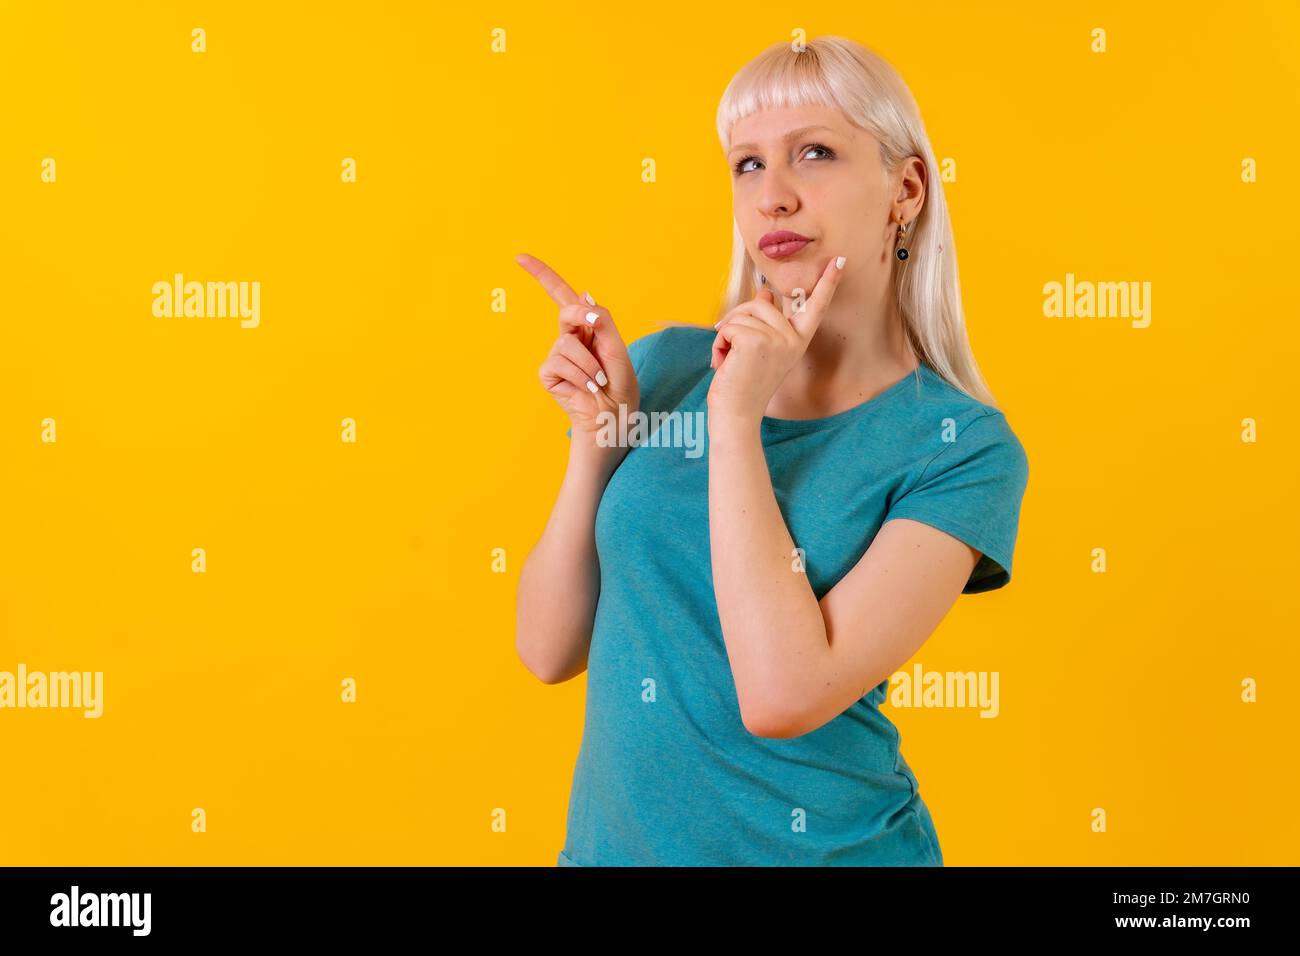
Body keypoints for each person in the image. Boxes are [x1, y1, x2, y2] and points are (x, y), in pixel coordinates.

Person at [514, 35, 1029, 866]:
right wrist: (594, 440)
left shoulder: (959, 449)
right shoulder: (667, 368)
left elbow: (782, 695)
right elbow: (547, 649)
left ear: (905, 190)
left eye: (814, 153)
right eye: (747, 165)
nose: (773, 197)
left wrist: (736, 423)